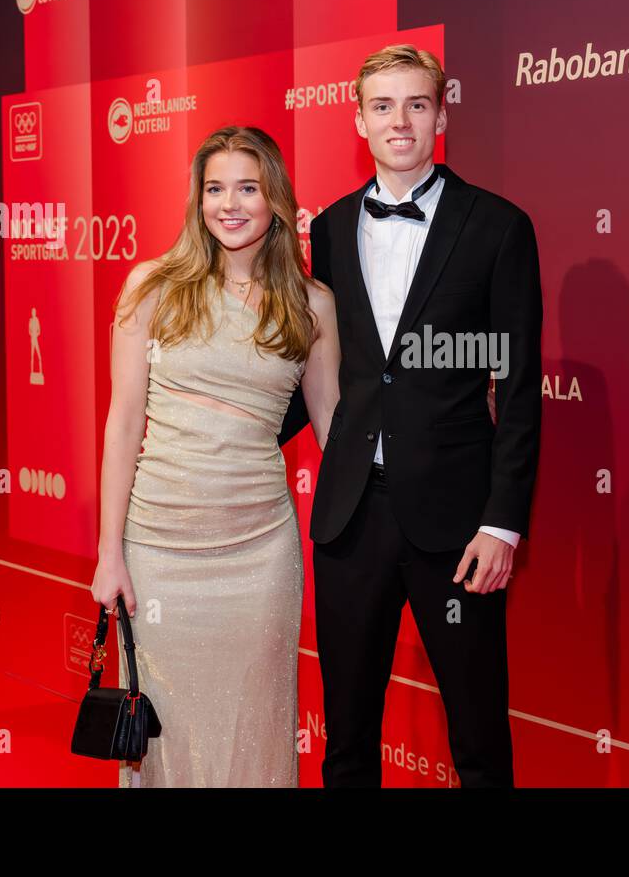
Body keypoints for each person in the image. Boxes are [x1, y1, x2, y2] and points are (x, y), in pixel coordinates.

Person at [278, 45, 543, 787]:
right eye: (384, 106)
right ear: (359, 119)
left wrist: (502, 523)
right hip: (351, 517)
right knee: (348, 738)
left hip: (458, 523)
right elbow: (325, 373)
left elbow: (518, 386)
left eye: (417, 105)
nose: (401, 121)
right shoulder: (326, 230)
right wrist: (228, 435)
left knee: (480, 737)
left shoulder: (497, 226)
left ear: (442, 115)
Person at [91, 126, 339, 787]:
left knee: (253, 730)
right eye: (214, 188)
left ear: (276, 200)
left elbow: (334, 427)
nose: (229, 204)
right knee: (164, 736)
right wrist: (109, 554)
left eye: (248, 188)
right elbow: (122, 423)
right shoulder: (151, 286)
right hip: (158, 551)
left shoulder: (311, 307)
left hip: (259, 555)